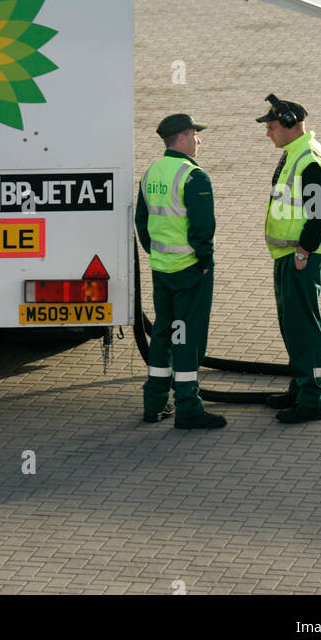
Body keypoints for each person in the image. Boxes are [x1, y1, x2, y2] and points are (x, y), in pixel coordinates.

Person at [135, 113, 226, 430]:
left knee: (163, 333)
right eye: (195, 134)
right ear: (183, 138)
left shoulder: (151, 173)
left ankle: (154, 403)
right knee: (186, 337)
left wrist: (156, 253)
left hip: (161, 269)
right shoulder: (194, 177)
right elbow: (203, 230)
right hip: (190, 270)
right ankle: (188, 406)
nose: (199, 140)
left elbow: (141, 222)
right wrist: (203, 262)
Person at [257, 93, 321, 424]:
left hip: (301, 256)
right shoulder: (295, 154)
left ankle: (311, 399)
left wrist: (303, 251)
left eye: (272, 126)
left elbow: (317, 215)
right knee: (292, 324)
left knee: (304, 326)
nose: (268, 133)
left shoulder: (309, 161)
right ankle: (299, 387)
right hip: (288, 254)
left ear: (290, 125)